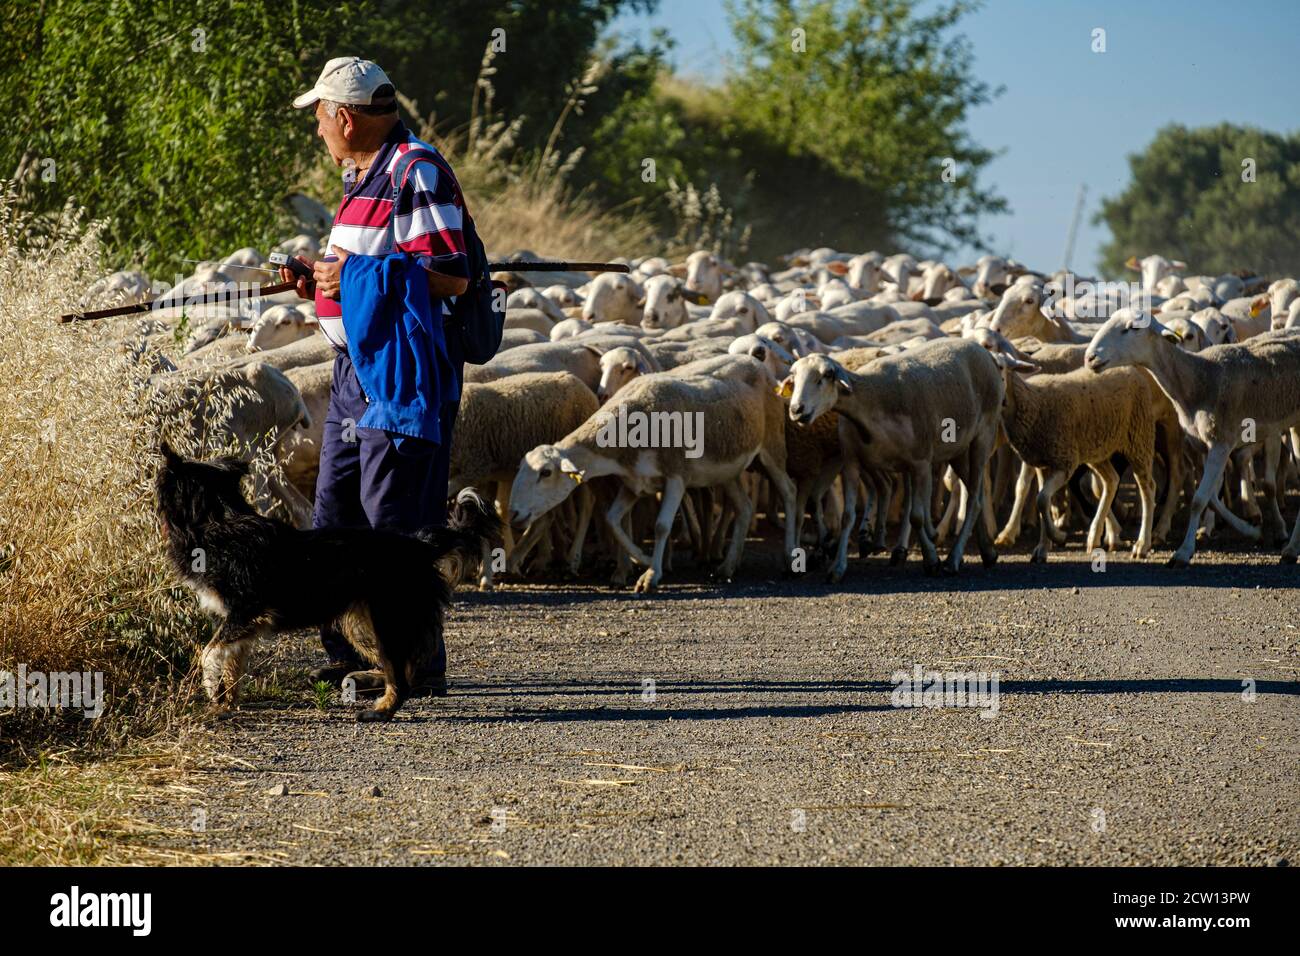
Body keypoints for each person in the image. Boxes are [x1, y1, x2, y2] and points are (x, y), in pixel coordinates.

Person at [280, 57, 469, 695]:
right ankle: (349, 653)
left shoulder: (417, 171)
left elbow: (450, 273)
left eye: (320, 118)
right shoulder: (362, 174)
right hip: (352, 371)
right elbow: (365, 270)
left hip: (398, 371)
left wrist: (352, 278)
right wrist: (321, 281)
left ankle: (412, 667)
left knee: (393, 523)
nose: (318, 131)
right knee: (336, 519)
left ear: (346, 116)